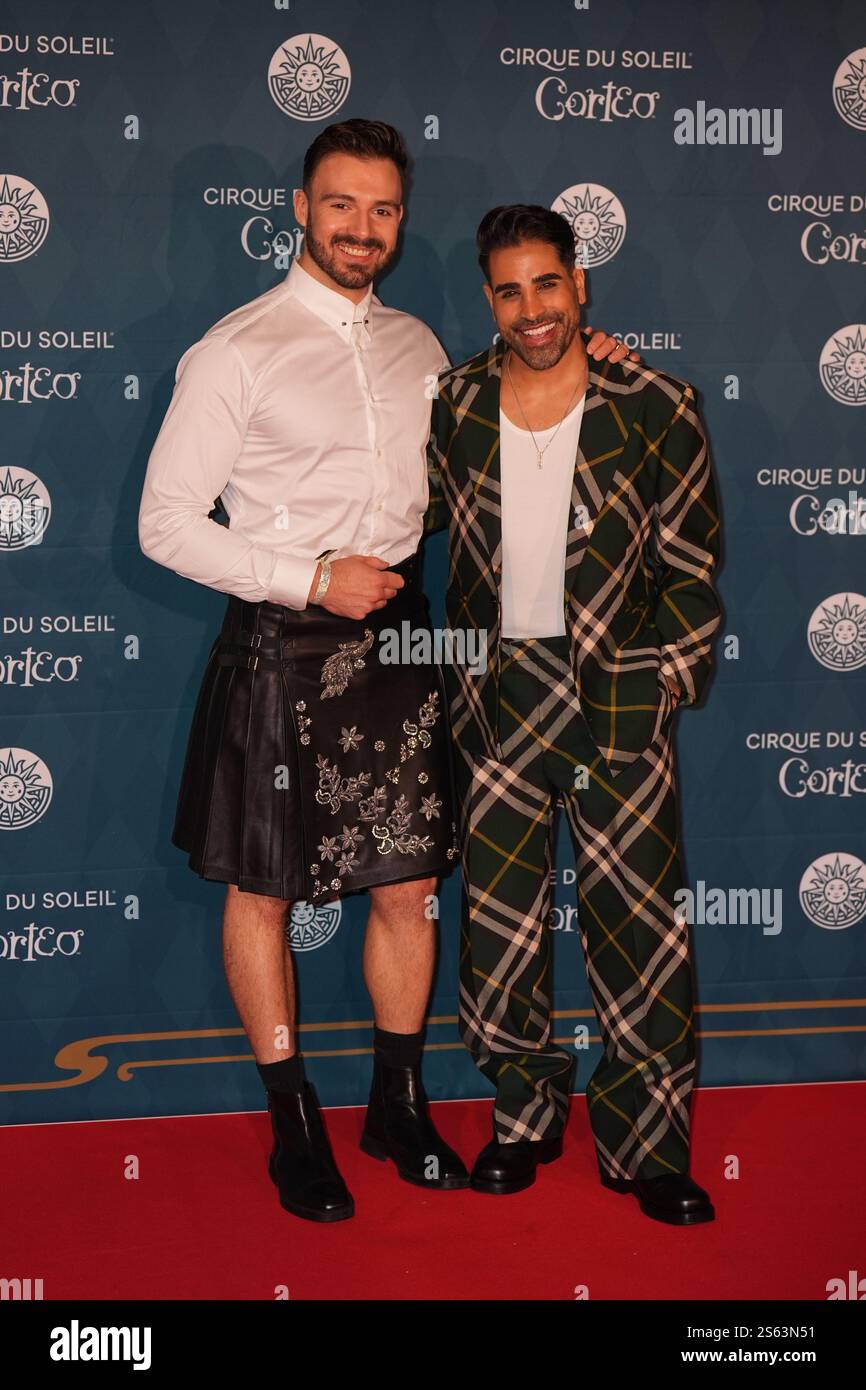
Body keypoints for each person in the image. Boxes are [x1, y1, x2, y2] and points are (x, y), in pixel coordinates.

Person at [138, 120, 634, 1222]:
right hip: (281, 642)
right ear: (304, 209)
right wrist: (304, 575)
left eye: (383, 210)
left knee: (409, 885)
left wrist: (595, 362)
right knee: (264, 894)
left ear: (400, 221)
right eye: (341, 205)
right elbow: (163, 523)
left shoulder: (421, 346)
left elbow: (522, 405)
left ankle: (394, 1103)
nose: (361, 227)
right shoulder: (237, 348)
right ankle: (291, 1126)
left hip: (406, 644)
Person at [425, 204, 722, 1225]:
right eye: (507, 290)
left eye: (545, 284)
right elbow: (402, 514)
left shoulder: (653, 400)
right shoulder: (454, 403)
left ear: (578, 283)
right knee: (498, 928)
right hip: (495, 694)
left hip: (615, 700)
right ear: (488, 300)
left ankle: (648, 1145)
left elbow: (688, 568)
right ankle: (523, 1116)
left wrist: (666, 677)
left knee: (638, 931)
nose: (530, 309)